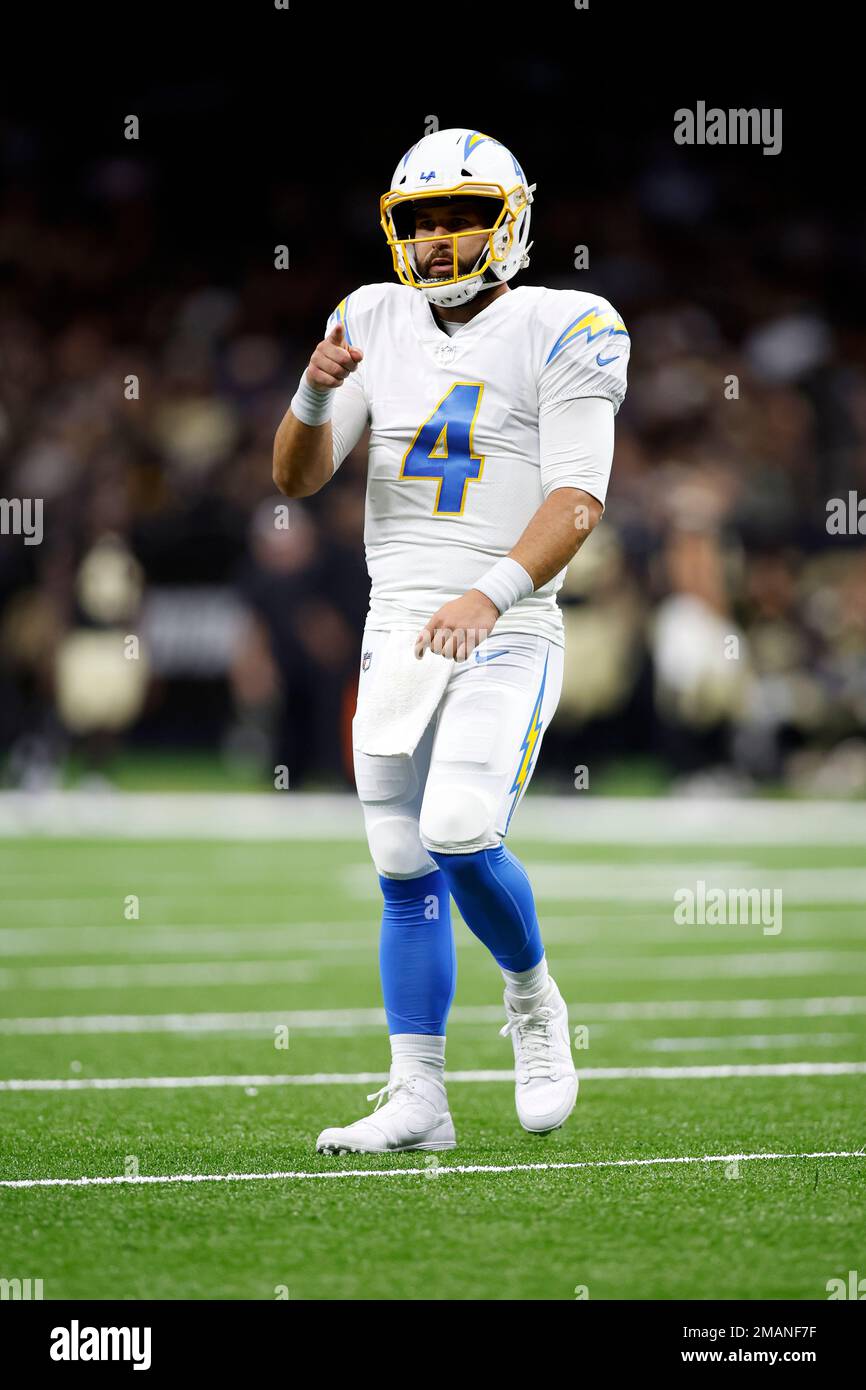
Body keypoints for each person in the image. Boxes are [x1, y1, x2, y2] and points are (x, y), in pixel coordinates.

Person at [273, 128, 630, 1153]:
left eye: (461, 215)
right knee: (399, 857)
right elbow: (297, 479)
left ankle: (532, 1001)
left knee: (460, 824)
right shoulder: (368, 317)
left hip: (506, 624)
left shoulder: (566, 323)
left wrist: (491, 589)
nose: (437, 238)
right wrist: (310, 392)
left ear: (509, 219)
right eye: (420, 221)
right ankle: (417, 1095)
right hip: (398, 629)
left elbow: (577, 498)